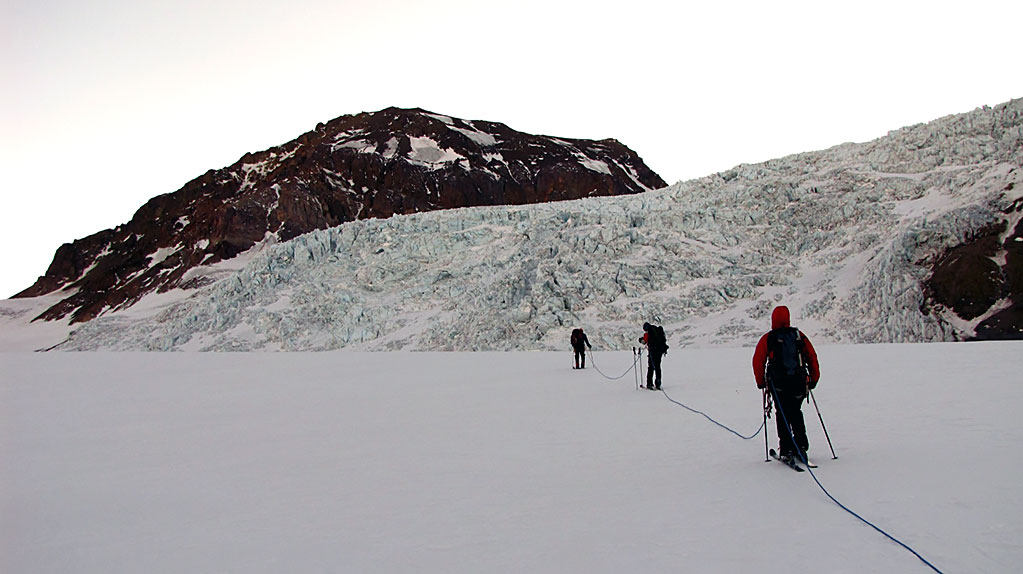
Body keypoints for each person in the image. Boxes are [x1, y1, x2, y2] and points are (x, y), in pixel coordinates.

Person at [752, 306, 820, 463]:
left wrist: (761, 382)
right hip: (798, 383)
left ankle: (786, 448)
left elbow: (758, 361)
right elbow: (812, 356)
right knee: (796, 412)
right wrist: (814, 378)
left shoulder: (769, 338)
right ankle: (801, 446)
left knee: (782, 414)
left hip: (778, 385)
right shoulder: (798, 336)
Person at [638, 322, 668, 389]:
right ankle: (658, 383)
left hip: (653, 351)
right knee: (657, 367)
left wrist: (640, 340)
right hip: (660, 351)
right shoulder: (657, 330)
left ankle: (649, 383)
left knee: (651, 367)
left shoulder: (648, 332)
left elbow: (644, 341)